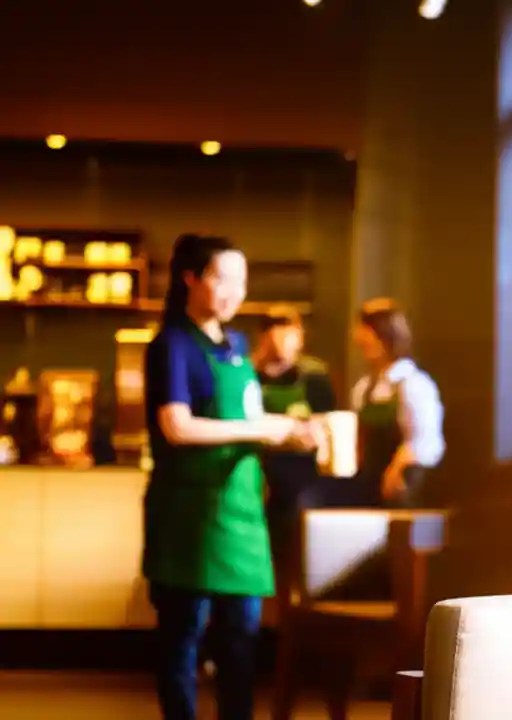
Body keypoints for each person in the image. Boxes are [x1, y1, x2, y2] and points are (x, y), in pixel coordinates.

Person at [142, 234, 317, 720]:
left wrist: (290, 433)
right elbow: (175, 425)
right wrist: (259, 429)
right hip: (189, 515)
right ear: (191, 279)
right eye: (223, 278)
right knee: (184, 639)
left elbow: (250, 418)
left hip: (240, 514)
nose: (235, 291)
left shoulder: (237, 346)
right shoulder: (171, 344)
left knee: (241, 641)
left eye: (242, 280)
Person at [252, 305, 337, 592]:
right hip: (258, 472)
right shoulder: (249, 376)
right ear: (263, 337)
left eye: (289, 336)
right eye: (274, 337)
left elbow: (327, 423)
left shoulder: (314, 376)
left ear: (300, 338)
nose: (282, 346)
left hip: (303, 474)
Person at [350, 298, 446, 508]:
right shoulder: (364, 388)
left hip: (404, 485)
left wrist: (396, 471)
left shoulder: (415, 385)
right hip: (369, 486)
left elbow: (423, 442)